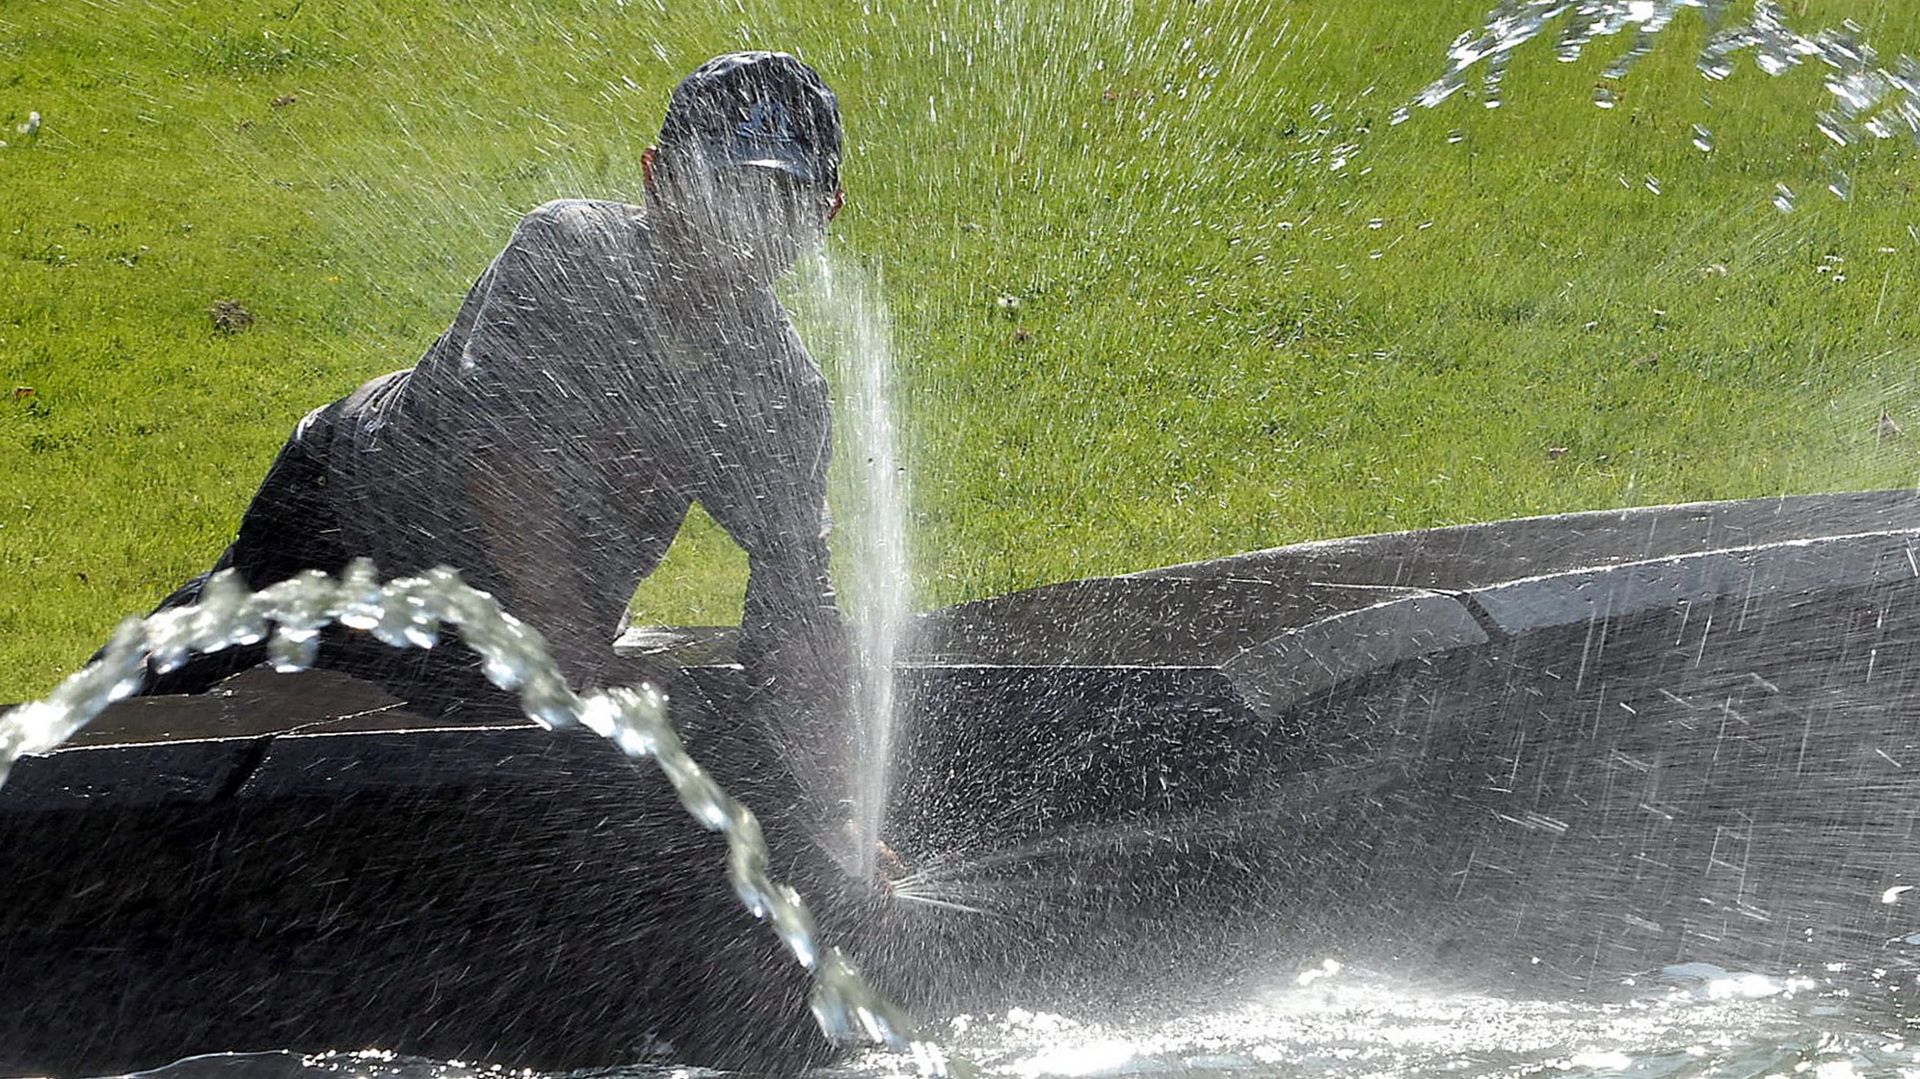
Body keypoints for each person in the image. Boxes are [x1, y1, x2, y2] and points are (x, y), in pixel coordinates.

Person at [130, 52, 851, 711]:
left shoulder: (781, 391)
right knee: (180, 676)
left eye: (778, 204)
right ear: (656, 176)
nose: (743, 228)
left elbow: (798, 602)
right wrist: (569, 642)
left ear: (826, 214)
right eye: (717, 189)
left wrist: (844, 807)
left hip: (527, 600)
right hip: (344, 519)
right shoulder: (570, 252)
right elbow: (504, 465)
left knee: (455, 770)